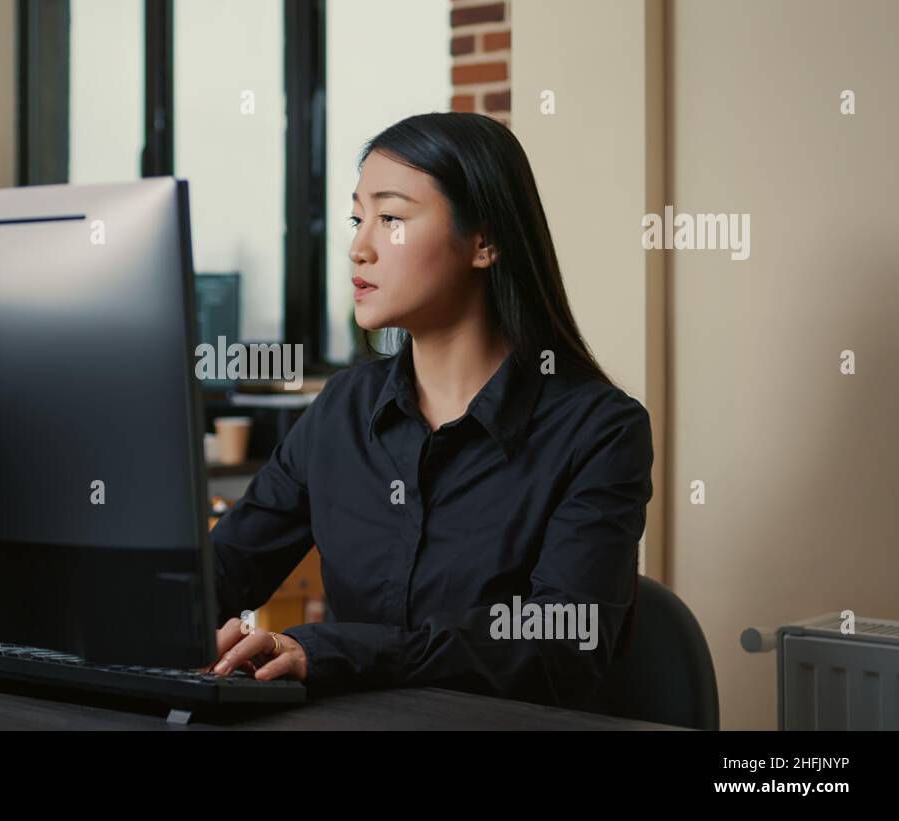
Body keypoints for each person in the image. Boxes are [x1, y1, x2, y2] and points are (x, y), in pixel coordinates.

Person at [201, 112, 654, 710]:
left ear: (485, 242)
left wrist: (336, 650)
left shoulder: (600, 431)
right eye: (357, 219)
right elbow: (222, 571)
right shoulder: (342, 409)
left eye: (390, 219)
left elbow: (562, 644)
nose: (358, 248)